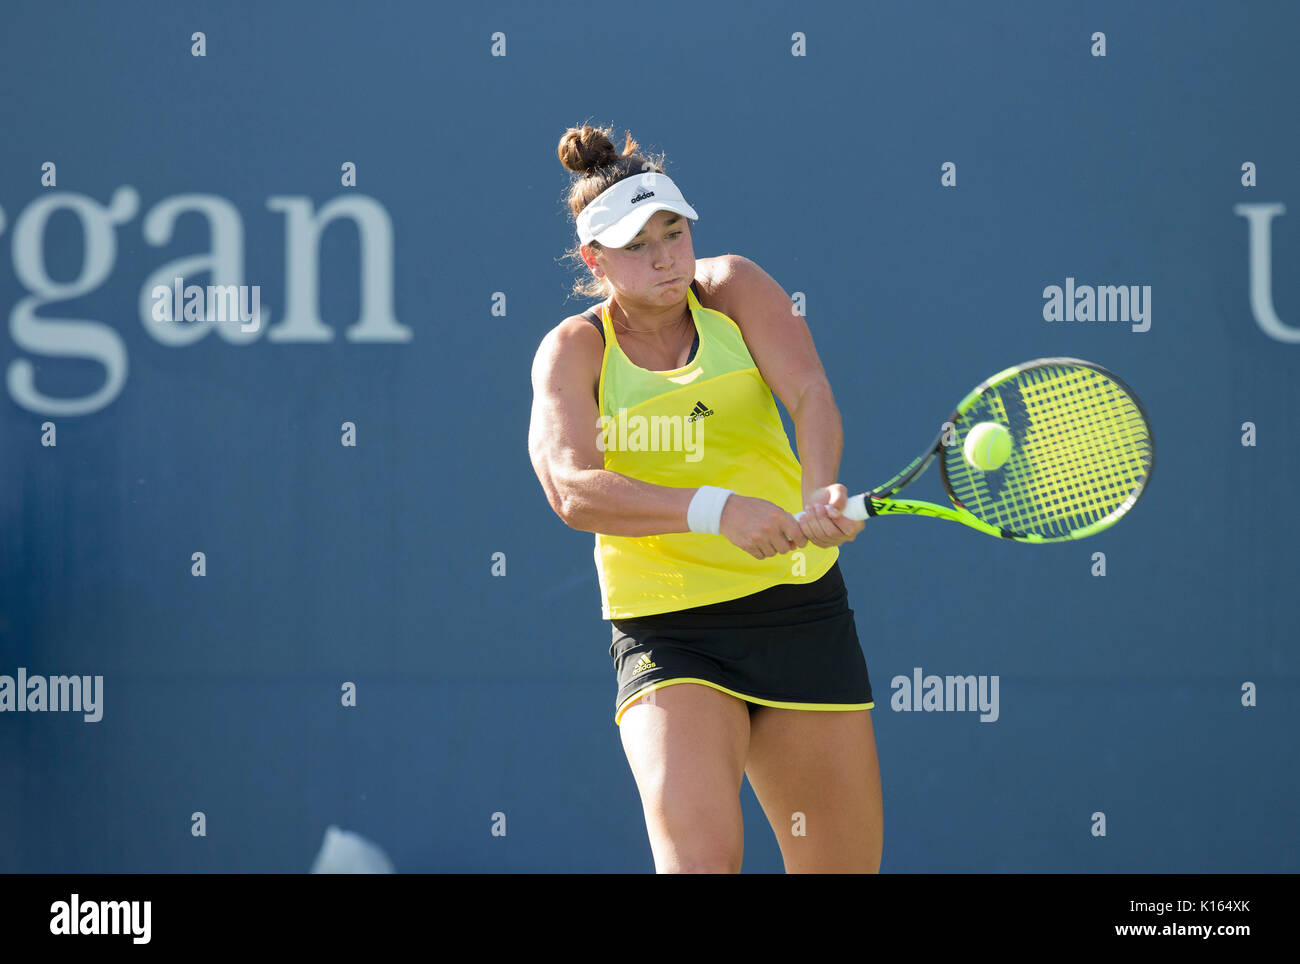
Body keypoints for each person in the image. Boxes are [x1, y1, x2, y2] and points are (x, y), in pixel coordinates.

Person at [528, 123, 882, 873]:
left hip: (799, 611)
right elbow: (570, 487)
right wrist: (716, 509)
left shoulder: (734, 288)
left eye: (673, 230)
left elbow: (811, 393)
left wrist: (820, 492)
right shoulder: (574, 349)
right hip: (670, 631)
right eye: (636, 243)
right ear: (595, 259)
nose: (664, 256)